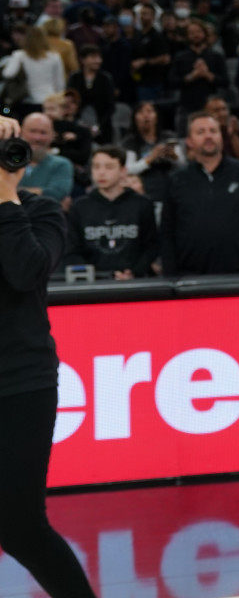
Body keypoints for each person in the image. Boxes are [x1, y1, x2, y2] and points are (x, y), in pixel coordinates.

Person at [0, 115, 99, 598]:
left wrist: (4, 196)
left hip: (21, 383)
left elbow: (25, 271)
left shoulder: (41, 213)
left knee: (20, 526)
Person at [160, 112, 239, 276]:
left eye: (213, 130)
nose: (208, 136)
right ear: (189, 141)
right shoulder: (176, 179)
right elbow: (167, 230)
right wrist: (170, 272)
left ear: (221, 136)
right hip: (190, 277)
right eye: (201, 132)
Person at [64, 146, 158, 279]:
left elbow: (151, 245)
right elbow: (72, 250)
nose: (101, 173)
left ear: (123, 171)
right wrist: (95, 276)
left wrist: (134, 272)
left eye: (109, 167)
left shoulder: (142, 204)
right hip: (92, 285)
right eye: (96, 167)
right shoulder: (79, 207)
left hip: (135, 281)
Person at [2, 25, 65, 117]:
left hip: (26, 101)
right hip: (48, 100)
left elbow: (8, 74)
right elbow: (60, 84)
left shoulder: (20, 55)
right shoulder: (55, 57)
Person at [168, 19, 229, 114]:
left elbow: (225, 81)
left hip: (211, 105)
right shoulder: (180, 57)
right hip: (187, 105)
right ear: (187, 36)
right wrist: (192, 76)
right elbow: (172, 82)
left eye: (199, 31)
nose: (196, 35)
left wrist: (207, 75)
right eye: (192, 32)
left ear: (204, 33)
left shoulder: (216, 56)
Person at [16, 113, 72, 203]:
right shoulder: (6, 162)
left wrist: (11, 191)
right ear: (21, 132)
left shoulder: (62, 164)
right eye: (32, 131)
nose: (37, 138)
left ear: (52, 136)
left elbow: (56, 194)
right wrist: (41, 192)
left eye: (43, 132)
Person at [203, 94, 239, 162]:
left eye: (224, 109)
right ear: (206, 114)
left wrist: (233, 135)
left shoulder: (238, 132)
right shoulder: (201, 134)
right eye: (216, 110)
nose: (222, 114)